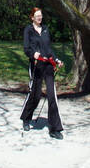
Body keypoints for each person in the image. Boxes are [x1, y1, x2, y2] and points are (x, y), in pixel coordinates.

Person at [20, 7, 63, 138]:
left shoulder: (45, 29)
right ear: (32, 17)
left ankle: (55, 129)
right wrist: (34, 54)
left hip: (48, 65)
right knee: (35, 94)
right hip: (36, 65)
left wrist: (56, 59)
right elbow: (26, 49)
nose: (40, 17)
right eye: (37, 16)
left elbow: (48, 48)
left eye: (41, 15)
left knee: (52, 95)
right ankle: (26, 118)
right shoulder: (28, 30)